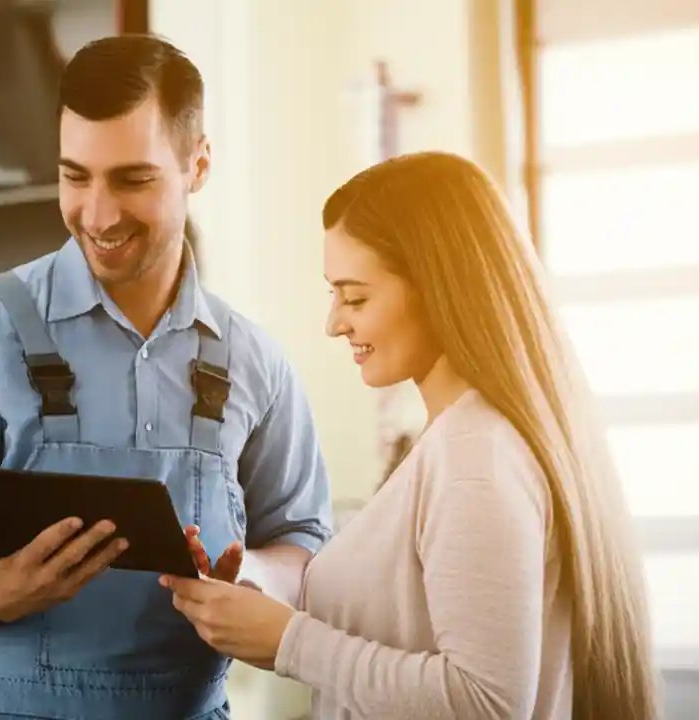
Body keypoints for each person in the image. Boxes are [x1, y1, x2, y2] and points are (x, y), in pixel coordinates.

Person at [0, 34, 333, 720]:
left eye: (132, 179)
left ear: (197, 165)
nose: (98, 214)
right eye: (76, 176)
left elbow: (305, 546)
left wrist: (250, 578)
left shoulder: (253, 363)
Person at [161, 151, 658, 720]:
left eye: (355, 297)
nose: (334, 322)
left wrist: (290, 642)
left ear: (438, 285)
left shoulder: (477, 460)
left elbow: (486, 702)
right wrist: (254, 598)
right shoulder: (458, 442)